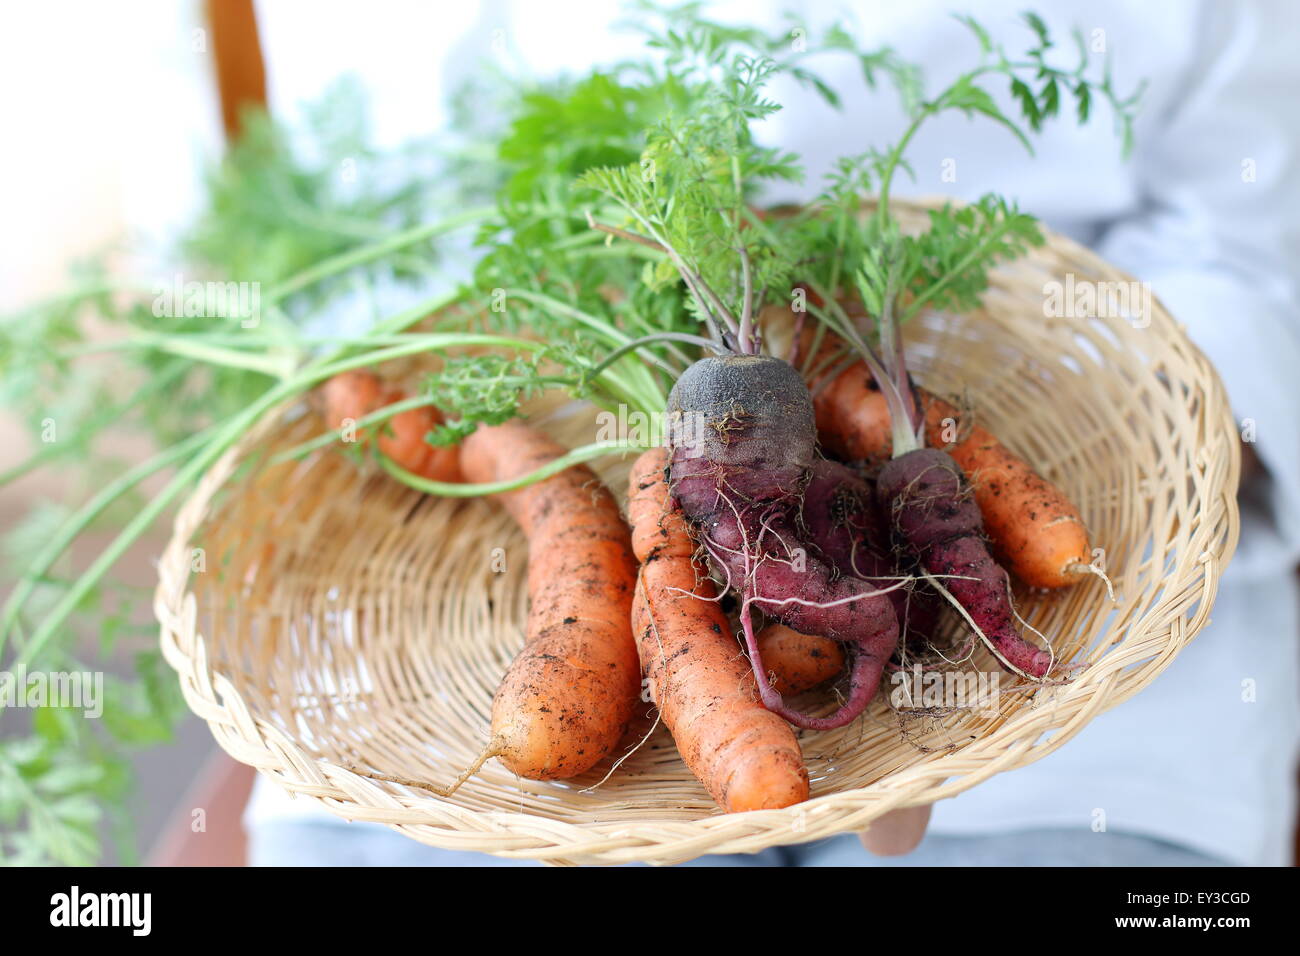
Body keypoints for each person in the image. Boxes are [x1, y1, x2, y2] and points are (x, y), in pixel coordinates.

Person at [245, 0, 1300, 867]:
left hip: (1093, 744)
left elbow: (1253, 261)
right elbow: (371, 282)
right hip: (407, 755)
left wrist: (910, 514)